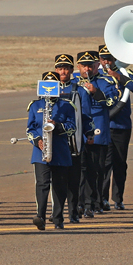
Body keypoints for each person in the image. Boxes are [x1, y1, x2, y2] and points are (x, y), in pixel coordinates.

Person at [27, 71, 77, 230]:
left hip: (60, 151)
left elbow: (72, 128)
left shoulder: (66, 105)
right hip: (40, 151)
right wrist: (37, 140)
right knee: (42, 184)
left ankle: (57, 217)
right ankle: (40, 216)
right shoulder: (35, 105)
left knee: (60, 185)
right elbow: (30, 129)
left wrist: (57, 126)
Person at [98, 44, 133, 210]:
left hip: (121, 125)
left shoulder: (124, 73)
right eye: (103, 59)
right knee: (104, 163)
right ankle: (102, 199)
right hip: (104, 125)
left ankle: (118, 198)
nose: (107, 62)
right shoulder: (97, 76)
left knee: (120, 163)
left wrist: (118, 76)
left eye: (109, 58)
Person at [76, 50, 118, 217]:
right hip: (79, 130)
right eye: (84, 65)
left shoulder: (105, 82)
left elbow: (111, 102)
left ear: (96, 66)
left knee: (96, 169)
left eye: (90, 65)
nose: (87, 69)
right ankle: (80, 203)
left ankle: (95, 201)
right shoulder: (74, 82)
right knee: (80, 169)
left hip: (98, 128)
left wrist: (95, 92)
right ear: (78, 66)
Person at [55, 54, 93, 224]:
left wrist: (88, 133)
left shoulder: (79, 90)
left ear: (72, 70)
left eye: (66, 68)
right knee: (58, 180)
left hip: (74, 142)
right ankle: (57, 213)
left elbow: (85, 115)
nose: (63, 71)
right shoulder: (49, 88)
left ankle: (73, 212)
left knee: (74, 179)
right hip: (56, 142)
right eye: (60, 68)